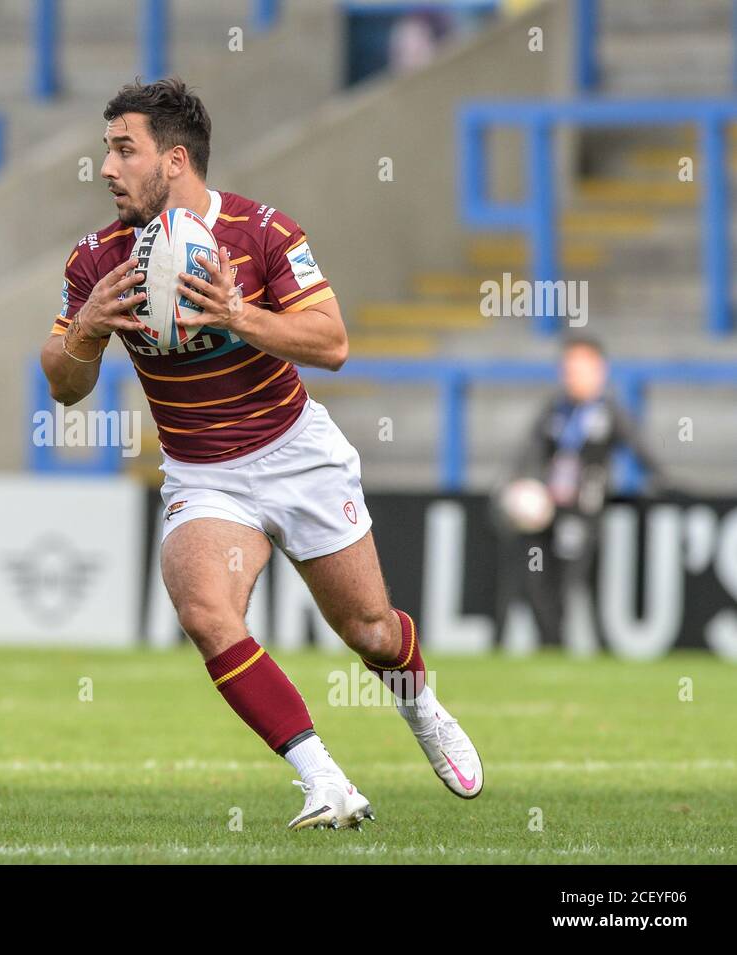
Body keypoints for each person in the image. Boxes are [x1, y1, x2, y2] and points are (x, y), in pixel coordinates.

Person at [39, 77, 483, 831]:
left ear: (175, 160)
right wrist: (84, 329)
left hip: (295, 452)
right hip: (203, 474)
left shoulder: (263, 232)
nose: (106, 169)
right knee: (207, 610)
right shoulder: (96, 259)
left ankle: (421, 704)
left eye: (123, 151)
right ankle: (325, 780)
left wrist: (240, 315)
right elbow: (65, 387)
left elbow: (333, 343)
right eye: (106, 151)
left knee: (371, 629)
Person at [498, 335, 665, 647]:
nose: (571, 374)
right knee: (535, 583)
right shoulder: (554, 410)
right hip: (544, 512)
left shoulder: (610, 412)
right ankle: (550, 645)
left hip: (582, 514)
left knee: (568, 585)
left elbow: (643, 452)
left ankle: (575, 645)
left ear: (599, 370)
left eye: (579, 367)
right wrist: (521, 484)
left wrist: (664, 485)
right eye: (568, 367)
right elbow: (529, 452)